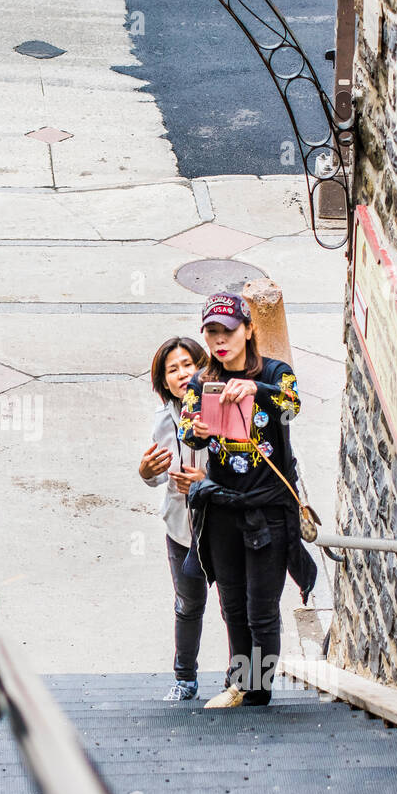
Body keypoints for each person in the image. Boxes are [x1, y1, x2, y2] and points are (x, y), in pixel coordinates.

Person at [180, 292, 316, 708]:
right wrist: (198, 431)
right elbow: (187, 426)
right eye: (212, 332)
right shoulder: (202, 380)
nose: (220, 340)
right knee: (232, 604)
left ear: (249, 330)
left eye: (229, 330)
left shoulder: (277, 373)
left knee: (262, 607)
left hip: (269, 506)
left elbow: (293, 407)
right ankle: (242, 685)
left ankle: (259, 691)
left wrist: (256, 388)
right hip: (222, 506)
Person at [139, 336, 211, 701]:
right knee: (187, 605)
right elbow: (158, 475)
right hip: (182, 531)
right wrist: (146, 472)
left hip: (222, 527)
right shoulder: (164, 420)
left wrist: (204, 483)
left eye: (189, 364)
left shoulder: (221, 409)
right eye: (173, 369)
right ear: (163, 381)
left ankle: (241, 683)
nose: (183, 374)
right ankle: (185, 680)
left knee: (236, 608)